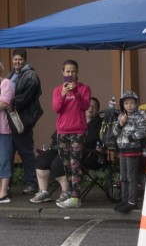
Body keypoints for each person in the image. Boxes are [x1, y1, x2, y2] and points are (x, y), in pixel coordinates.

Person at [30, 98, 102, 204]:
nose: (91, 108)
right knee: (42, 159)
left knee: (59, 162)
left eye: (94, 106)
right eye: (89, 105)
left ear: (98, 110)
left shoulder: (99, 123)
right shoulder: (73, 118)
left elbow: (91, 139)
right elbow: (56, 135)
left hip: (86, 151)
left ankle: (66, 192)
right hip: (62, 147)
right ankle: (43, 192)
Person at [51, 59, 92, 209]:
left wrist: (74, 91)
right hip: (62, 131)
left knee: (75, 163)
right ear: (63, 73)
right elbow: (56, 109)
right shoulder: (57, 89)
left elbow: (85, 106)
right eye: (67, 71)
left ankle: (76, 197)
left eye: (73, 71)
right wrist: (62, 94)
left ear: (77, 72)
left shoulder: (84, 88)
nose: (70, 74)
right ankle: (71, 193)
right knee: (66, 164)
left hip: (78, 131)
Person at [6, 49, 43, 196]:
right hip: (11, 120)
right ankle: (6, 185)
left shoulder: (31, 76)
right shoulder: (12, 74)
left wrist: (7, 103)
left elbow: (24, 99)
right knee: (7, 154)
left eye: (20, 59)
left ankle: (31, 184)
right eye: (15, 59)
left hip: (23, 121)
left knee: (26, 154)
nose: (17, 62)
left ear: (25, 60)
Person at [111, 91, 146, 213]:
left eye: (132, 103)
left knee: (131, 177)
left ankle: (132, 202)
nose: (129, 106)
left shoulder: (139, 116)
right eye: (126, 103)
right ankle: (124, 199)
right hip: (122, 149)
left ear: (136, 104)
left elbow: (144, 130)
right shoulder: (120, 116)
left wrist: (132, 136)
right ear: (122, 104)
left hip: (133, 149)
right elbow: (115, 133)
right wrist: (120, 124)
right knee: (123, 177)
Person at [0, 64, 13, 203]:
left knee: (3, 160)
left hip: (3, 128)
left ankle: (3, 192)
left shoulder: (6, 83)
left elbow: (4, 103)